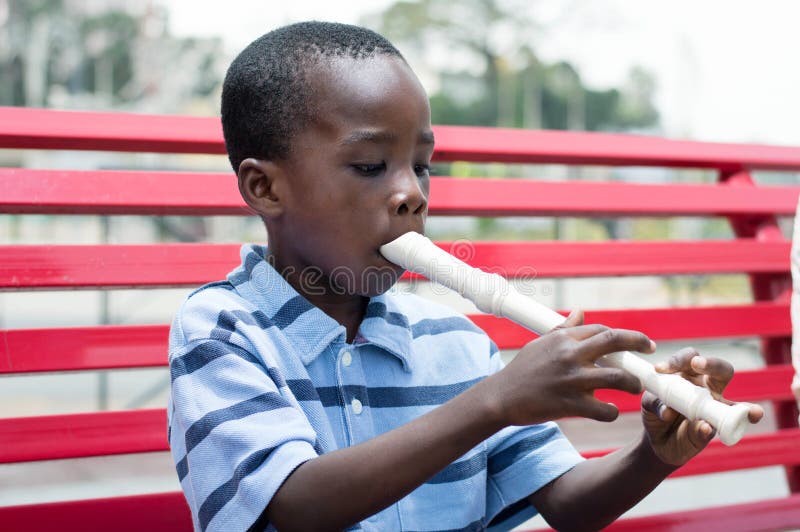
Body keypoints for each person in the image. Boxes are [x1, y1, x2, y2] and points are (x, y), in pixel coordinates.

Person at [167, 21, 763, 532]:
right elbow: (296, 504)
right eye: (371, 166)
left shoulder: (452, 342)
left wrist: (652, 457)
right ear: (265, 187)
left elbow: (566, 503)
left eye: (422, 167)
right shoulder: (221, 333)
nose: (409, 193)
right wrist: (493, 402)